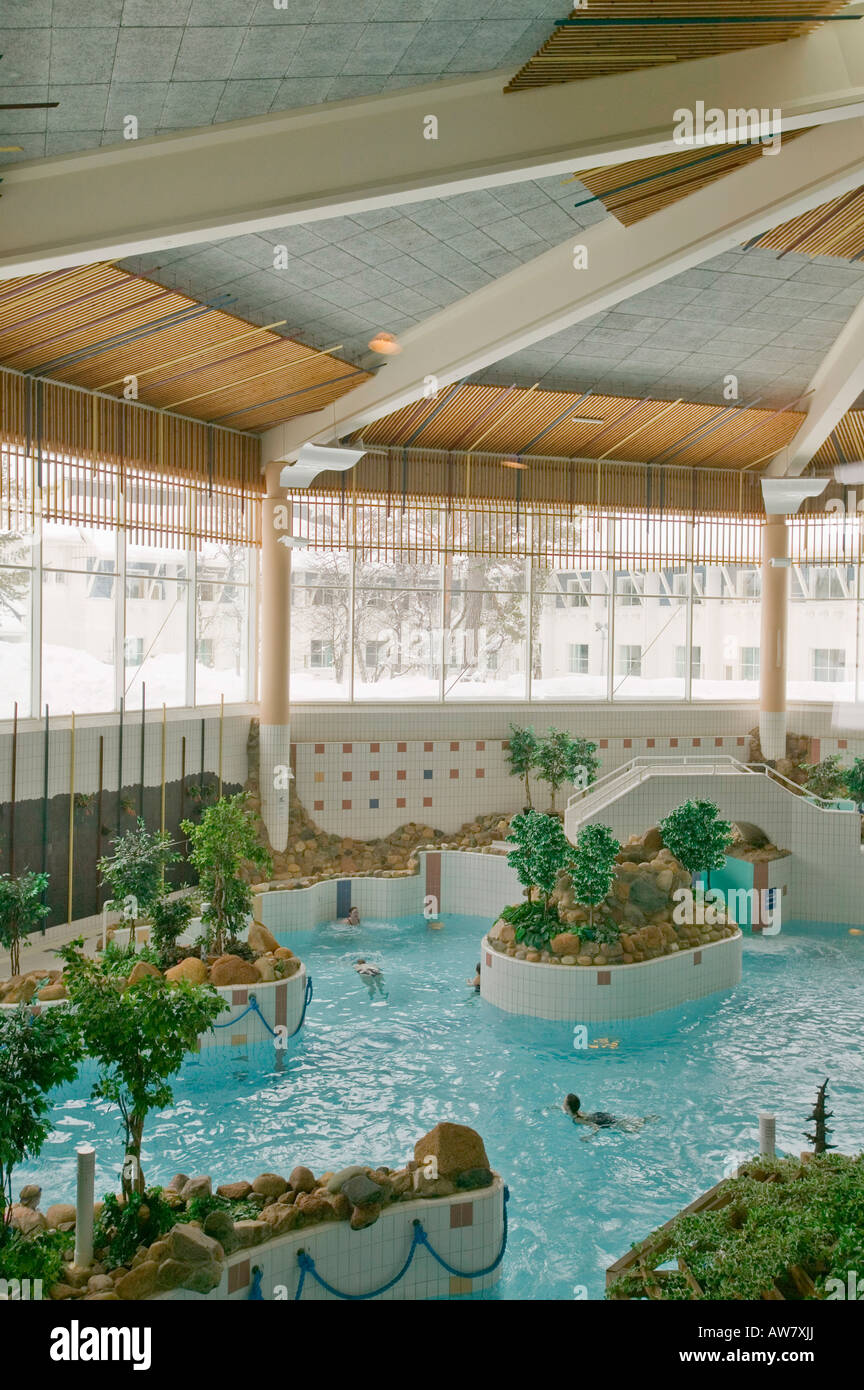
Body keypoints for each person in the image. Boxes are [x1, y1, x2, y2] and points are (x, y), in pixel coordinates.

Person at [564, 1093, 652, 1135]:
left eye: (564, 1102)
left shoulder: (577, 1119)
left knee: (621, 1127)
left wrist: (590, 1136)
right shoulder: (577, 1111)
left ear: (568, 1107)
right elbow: (563, 1109)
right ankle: (641, 1120)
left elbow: (595, 1127)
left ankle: (641, 1123)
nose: (562, 1103)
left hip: (599, 1121)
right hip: (598, 1115)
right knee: (619, 1122)